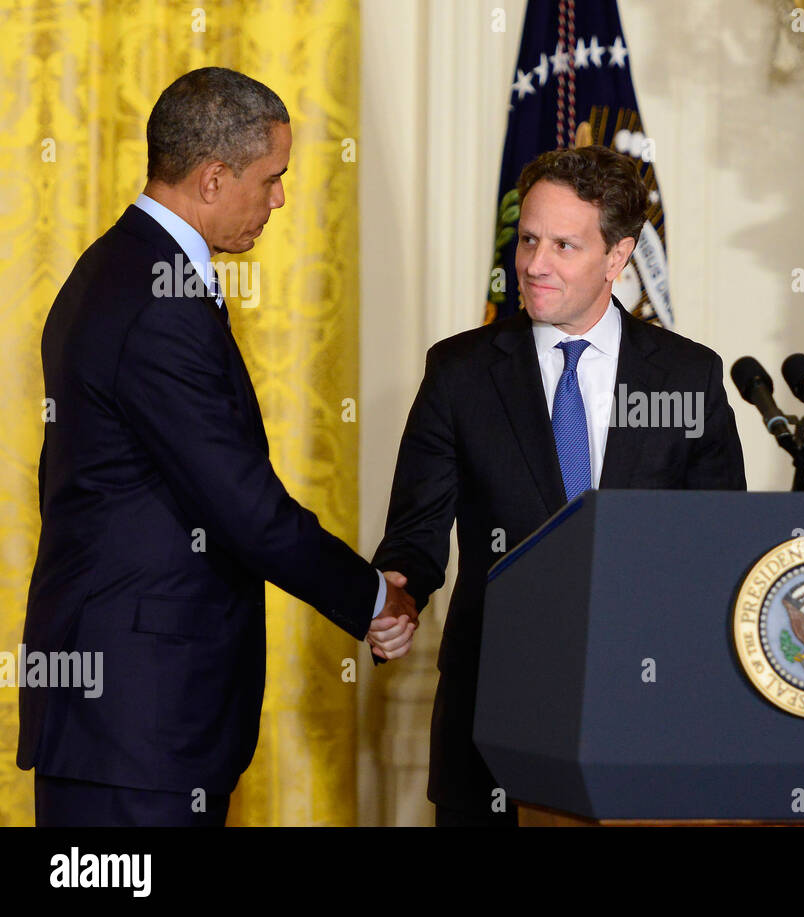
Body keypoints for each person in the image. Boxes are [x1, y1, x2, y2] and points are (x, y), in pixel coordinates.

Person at [19, 67, 418, 827]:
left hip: (125, 726)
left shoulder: (116, 269)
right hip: (136, 726)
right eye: (271, 179)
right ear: (211, 179)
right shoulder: (155, 298)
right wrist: (372, 597)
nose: (279, 200)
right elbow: (247, 509)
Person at [373, 144, 747, 826]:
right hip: (494, 720)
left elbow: (720, 550)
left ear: (617, 256)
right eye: (528, 240)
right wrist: (395, 596)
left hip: (647, 722)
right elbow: (414, 537)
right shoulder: (460, 372)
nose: (535, 264)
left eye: (564, 246)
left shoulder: (688, 376)